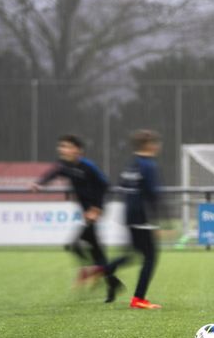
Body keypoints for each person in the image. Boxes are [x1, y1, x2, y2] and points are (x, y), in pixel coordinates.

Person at [31, 134, 123, 302]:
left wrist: (97, 208)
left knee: (73, 244)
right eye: (61, 146)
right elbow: (52, 174)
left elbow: (105, 185)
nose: (62, 149)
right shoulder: (64, 165)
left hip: (95, 211)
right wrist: (39, 183)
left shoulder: (88, 166)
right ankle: (113, 284)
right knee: (97, 251)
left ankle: (88, 270)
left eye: (66, 146)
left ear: (77, 150)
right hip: (86, 212)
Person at [106, 130, 162, 309]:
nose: (157, 146)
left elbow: (122, 188)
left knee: (135, 253)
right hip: (142, 218)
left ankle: (104, 269)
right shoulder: (148, 165)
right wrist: (158, 223)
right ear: (150, 145)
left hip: (130, 216)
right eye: (155, 143)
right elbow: (152, 194)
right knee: (150, 257)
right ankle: (138, 298)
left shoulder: (131, 164)